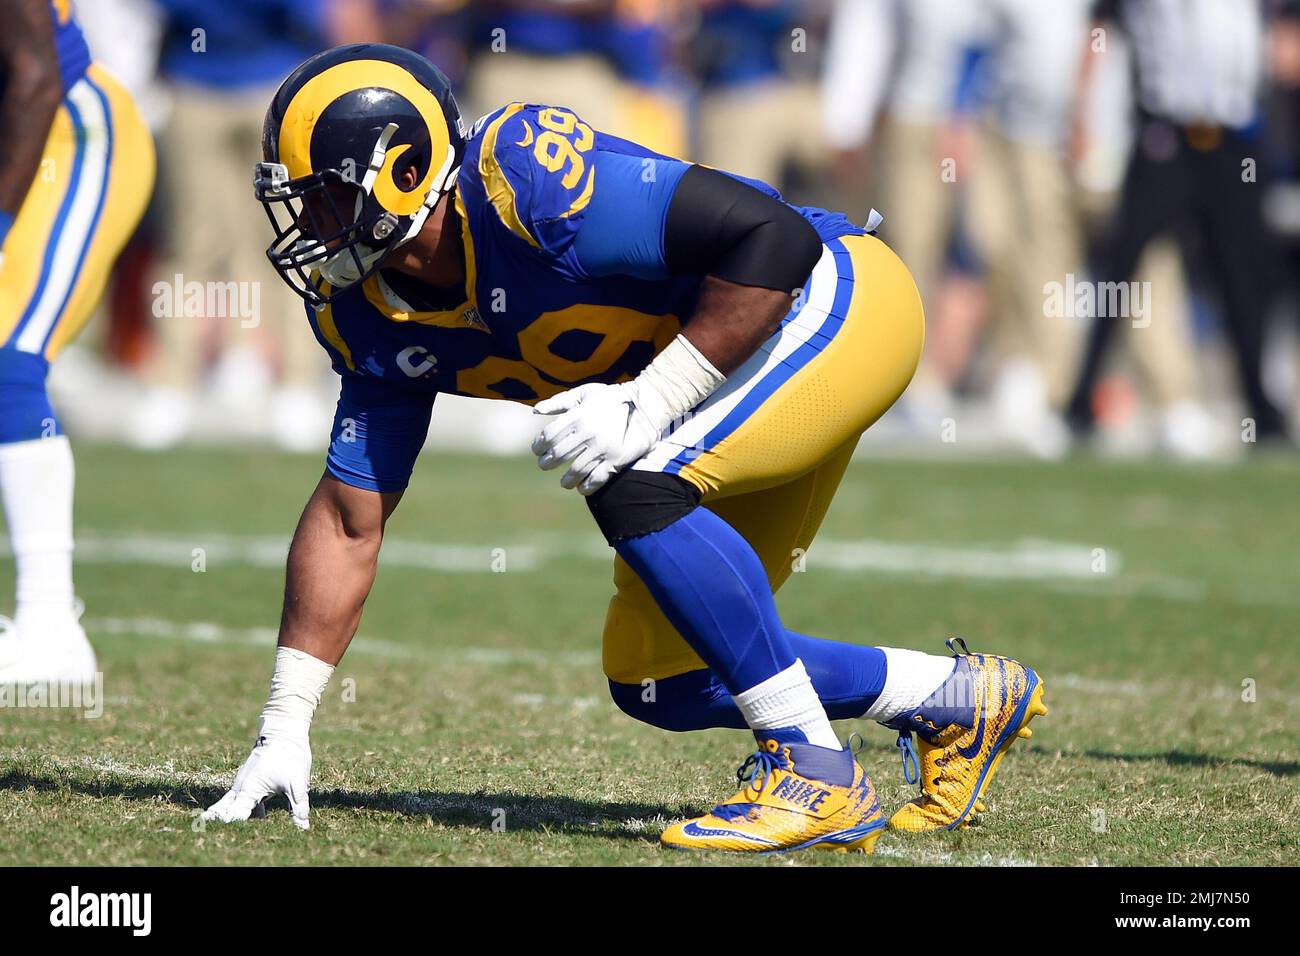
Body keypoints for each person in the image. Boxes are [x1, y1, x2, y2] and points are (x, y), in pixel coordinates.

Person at [200, 43, 1047, 852]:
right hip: (725, 382)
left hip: (832, 302)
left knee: (629, 478)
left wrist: (652, 399)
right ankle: (954, 698)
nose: (306, 223)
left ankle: (815, 771)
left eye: (321, 196)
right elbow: (351, 520)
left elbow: (774, 241)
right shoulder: (365, 309)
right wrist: (285, 723)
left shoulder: (523, 181)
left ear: (405, 172)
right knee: (660, 677)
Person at [0, 0, 155, 682]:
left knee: (8, 356)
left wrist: (0, 227)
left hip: (72, 138)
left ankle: (50, 626)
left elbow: (34, 77)